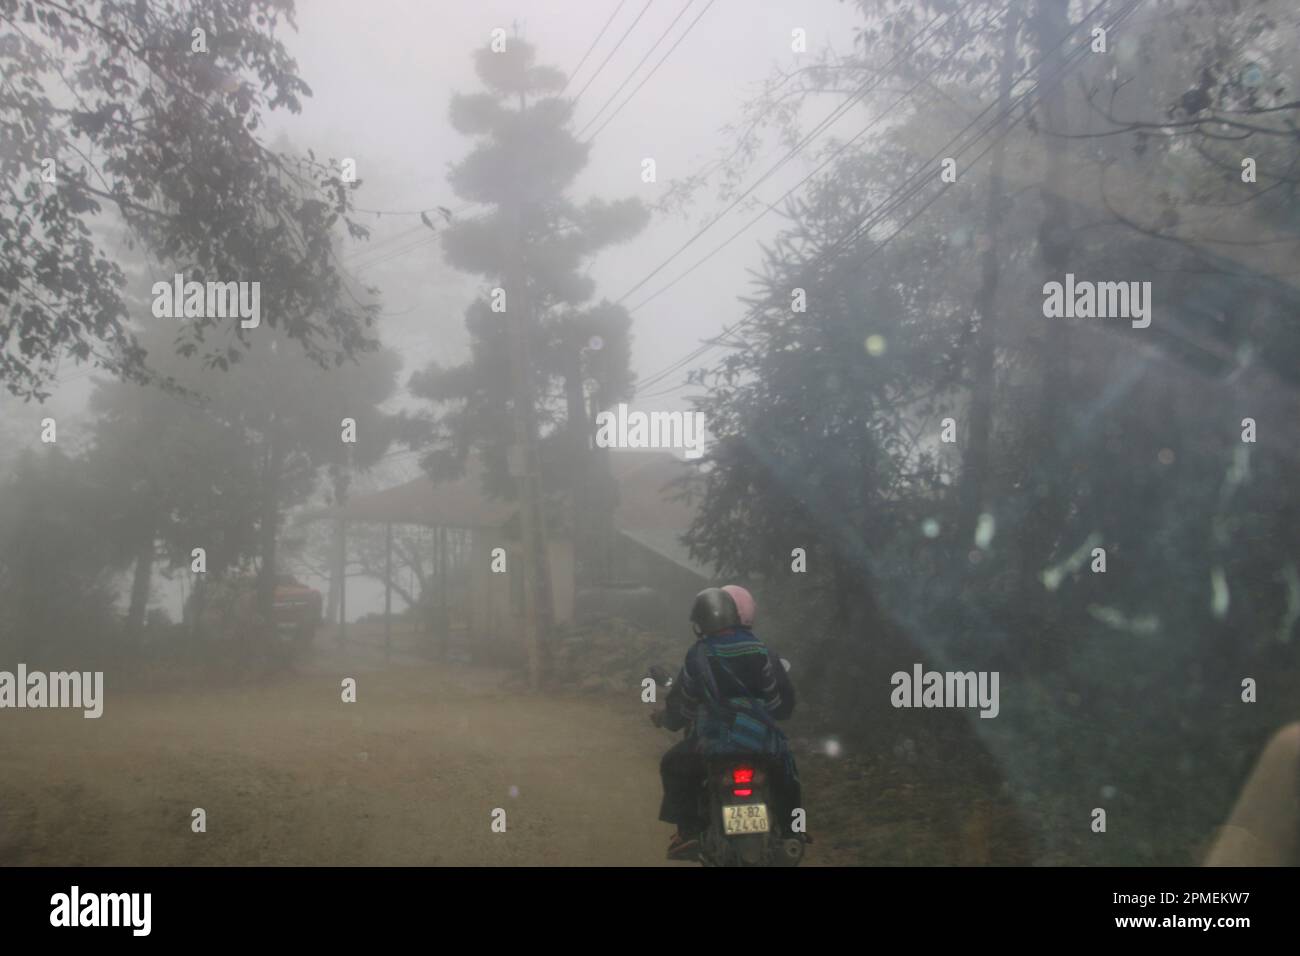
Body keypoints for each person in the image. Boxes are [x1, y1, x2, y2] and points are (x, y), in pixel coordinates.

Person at [653, 585, 801, 859]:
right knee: (787, 775)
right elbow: (780, 704)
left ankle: (689, 833)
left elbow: (683, 705)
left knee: (673, 765)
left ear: (699, 624)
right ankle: (793, 833)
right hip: (762, 746)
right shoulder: (762, 650)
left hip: (714, 745)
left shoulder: (698, 655)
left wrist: (668, 719)